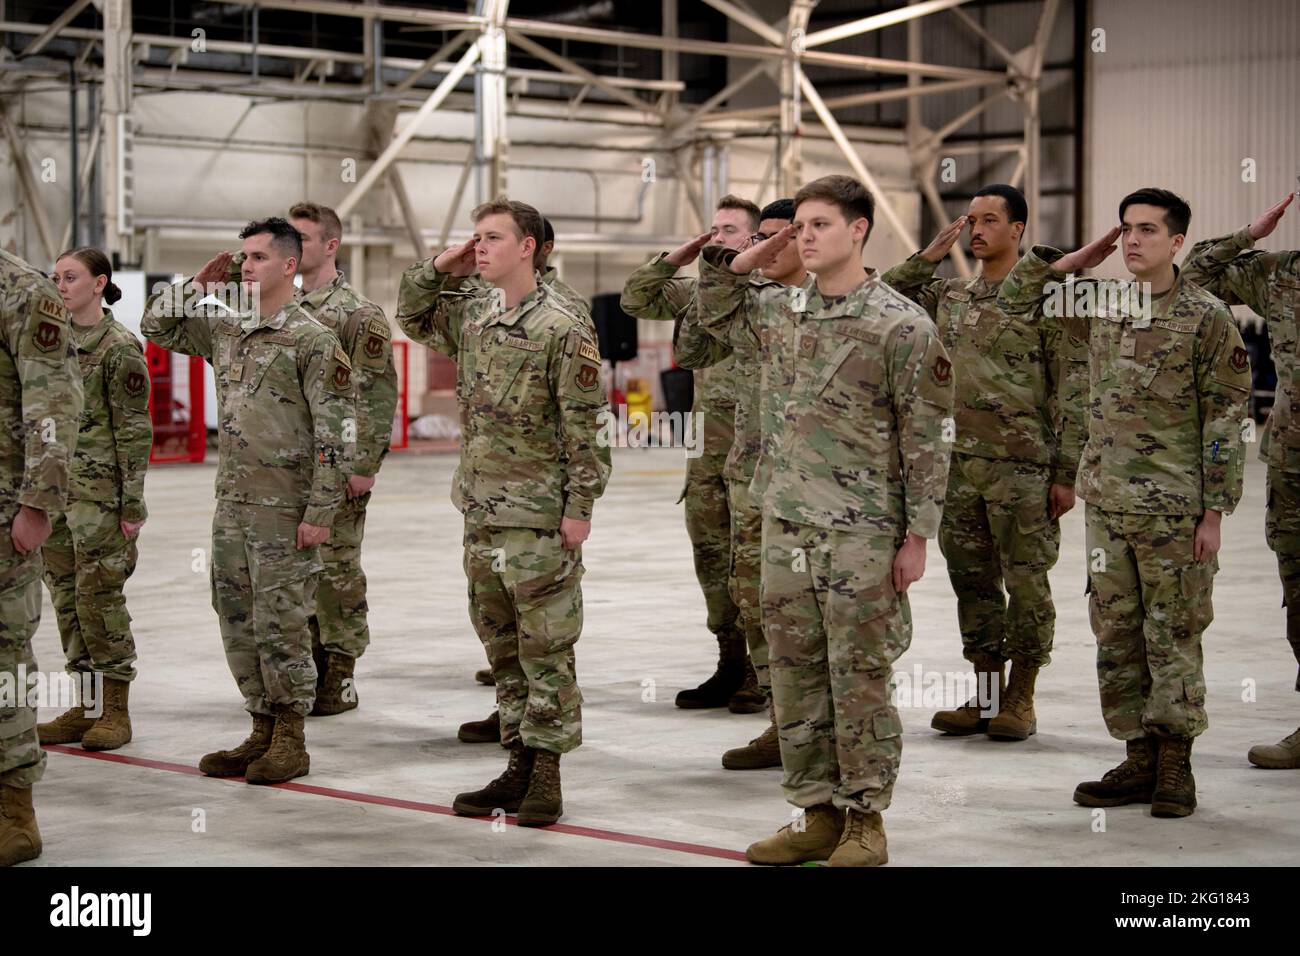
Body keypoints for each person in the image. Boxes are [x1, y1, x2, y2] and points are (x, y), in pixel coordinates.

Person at [699, 175, 954, 865]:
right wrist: (764, 248)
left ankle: (866, 819)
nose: (803, 237)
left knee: (859, 676)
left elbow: (929, 438)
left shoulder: (902, 324)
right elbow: (714, 296)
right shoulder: (782, 312)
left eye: (818, 225)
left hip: (863, 533)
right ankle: (814, 812)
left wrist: (918, 537)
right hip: (785, 525)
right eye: (797, 226)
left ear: (859, 230)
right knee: (795, 673)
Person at [999, 188, 1252, 817]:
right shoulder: (1102, 304)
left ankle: (1175, 762)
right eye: (1125, 230)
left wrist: (1215, 513)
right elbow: (1017, 298)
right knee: (1115, 635)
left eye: (1146, 229)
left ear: (1177, 242)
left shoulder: (1206, 316)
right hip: (1107, 507)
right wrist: (1081, 257)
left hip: (1175, 511)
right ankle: (1138, 754)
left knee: (1173, 636)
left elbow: (1225, 419)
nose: (1133, 240)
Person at [397, 198, 610, 826]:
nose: (479, 247)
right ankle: (517, 762)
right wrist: (445, 262)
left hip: (540, 515)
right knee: (502, 646)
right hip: (482, 510)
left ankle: (547, 774)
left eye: (492, 238)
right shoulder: (477, 316)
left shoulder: (562, 326)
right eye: (475, 237)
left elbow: (587, 428)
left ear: (530, 247)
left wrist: (580, 507)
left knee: (546, 646)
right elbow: (410, 310)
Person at [141, 218, 355, 785]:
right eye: (244, 257)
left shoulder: (312, 338)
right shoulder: (228, 331)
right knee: (235, 615)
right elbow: (154, 324)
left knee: (283, 621)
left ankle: (291, 736)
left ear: (289, 265)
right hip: (232, 503)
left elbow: (339, 434)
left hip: (285, 510)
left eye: (259, 257)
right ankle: (259, 725)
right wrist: (199, 282)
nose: (246, 266)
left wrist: (321, 511)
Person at [882, 185, 1086, 740]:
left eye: (990, 220)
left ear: (1018, 229)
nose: (977, 230)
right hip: (958, 467)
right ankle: (987, 693)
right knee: (972, 586)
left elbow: (1073, 387)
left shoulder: (1045, 300)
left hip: (1023, 468)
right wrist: (925, 257)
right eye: (971, 220)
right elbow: (879, 296)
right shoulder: (950, 297)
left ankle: (1021, 696)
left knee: (1026, 584)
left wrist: (1066, 473)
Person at [675, 197, 808, 770]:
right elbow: (691, 335)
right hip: (753, 476)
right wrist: (731, 258)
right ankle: (781, 723)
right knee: (757, 600)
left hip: (827, 492)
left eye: (790, 235)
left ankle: (819, 734)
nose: (774, 247)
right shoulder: (758, 309)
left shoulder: (858, 309)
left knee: (825, 618)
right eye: (767, 238)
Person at [620, 195, 765, 714]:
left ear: (754, 239)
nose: (717, 237)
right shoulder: (699, 292)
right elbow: (634, 300)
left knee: (753, 568)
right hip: (706, 456)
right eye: (713, 228)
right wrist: (677, 257)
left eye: (729, 230)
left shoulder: (768, 296)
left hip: (754, 455)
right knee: (711, 564)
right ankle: (730, 663)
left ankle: (763, 676)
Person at [1181, 192, 1300, 769]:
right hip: (1293, 463)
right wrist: (1249, 233)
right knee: (1299, 594)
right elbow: (1195, 273)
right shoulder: (1280, 275)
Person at [36, 248, 151, 752]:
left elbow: (134, 429)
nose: (59, 285)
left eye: (70, 276)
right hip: (52, 494)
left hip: (100, 498)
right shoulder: (48, 342)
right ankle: (85, 705)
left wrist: (132, 505)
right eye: (55, 277)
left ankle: (115, 710)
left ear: (100, 282)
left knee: (99, 598)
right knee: (65, 597)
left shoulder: (118, 346)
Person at [289, 202, 398, 716]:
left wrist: (364, 464)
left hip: (337, 464)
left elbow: (377, 393)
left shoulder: (357, 313)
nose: (292, 248)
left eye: (303, 239)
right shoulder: (277, 307)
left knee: (336, 570)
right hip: (285, 466)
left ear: (330, 245)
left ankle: (340, 671)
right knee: (295, 570)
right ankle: (303, 663)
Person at [0, 247, 83, 866]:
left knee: (2, 654)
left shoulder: (25, 292)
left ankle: (12, 806)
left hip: (3, 508)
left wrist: (38, 503)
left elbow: (54, 403)